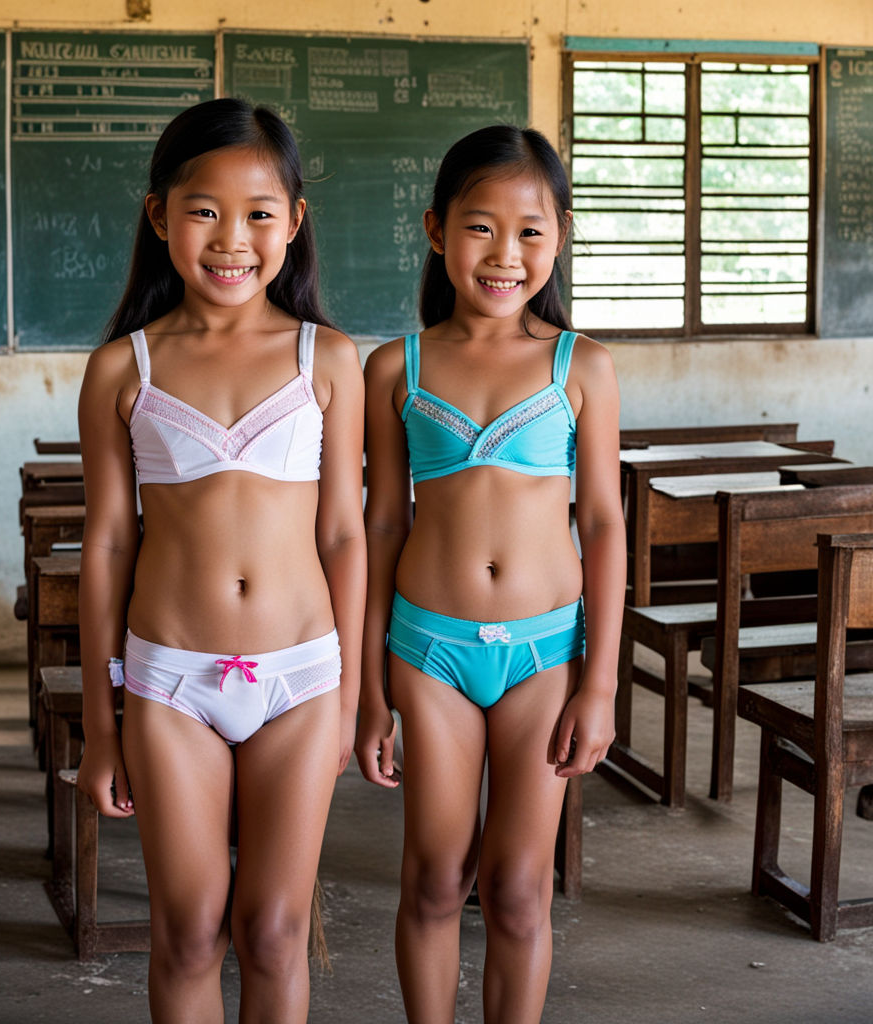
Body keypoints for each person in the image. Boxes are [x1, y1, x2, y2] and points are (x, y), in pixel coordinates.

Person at [76, 98, 365, 1024]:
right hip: (169, 681)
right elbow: (108, 543)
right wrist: (101, 725)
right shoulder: (124, 368)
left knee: (275, 931)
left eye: (259, 213)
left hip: (302, 678)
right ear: (159, 216)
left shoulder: (329, 359)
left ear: (295, 221)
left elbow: (345, 535)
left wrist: (352, 699)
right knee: (189, 933)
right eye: (203, 210)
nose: (232, 239)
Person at [357, 124, 625, 1023]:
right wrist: (369, 694)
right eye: (481, 227)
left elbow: (603, 524)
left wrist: (600, 684)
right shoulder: (395, 366)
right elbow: (382, 525)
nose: (506, 254)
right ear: (437, 230)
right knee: (437, 878)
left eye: (530, 231)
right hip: (429, 649)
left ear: (559, 238)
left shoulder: (582, 365)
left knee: (516, 889)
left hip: (546, 654)